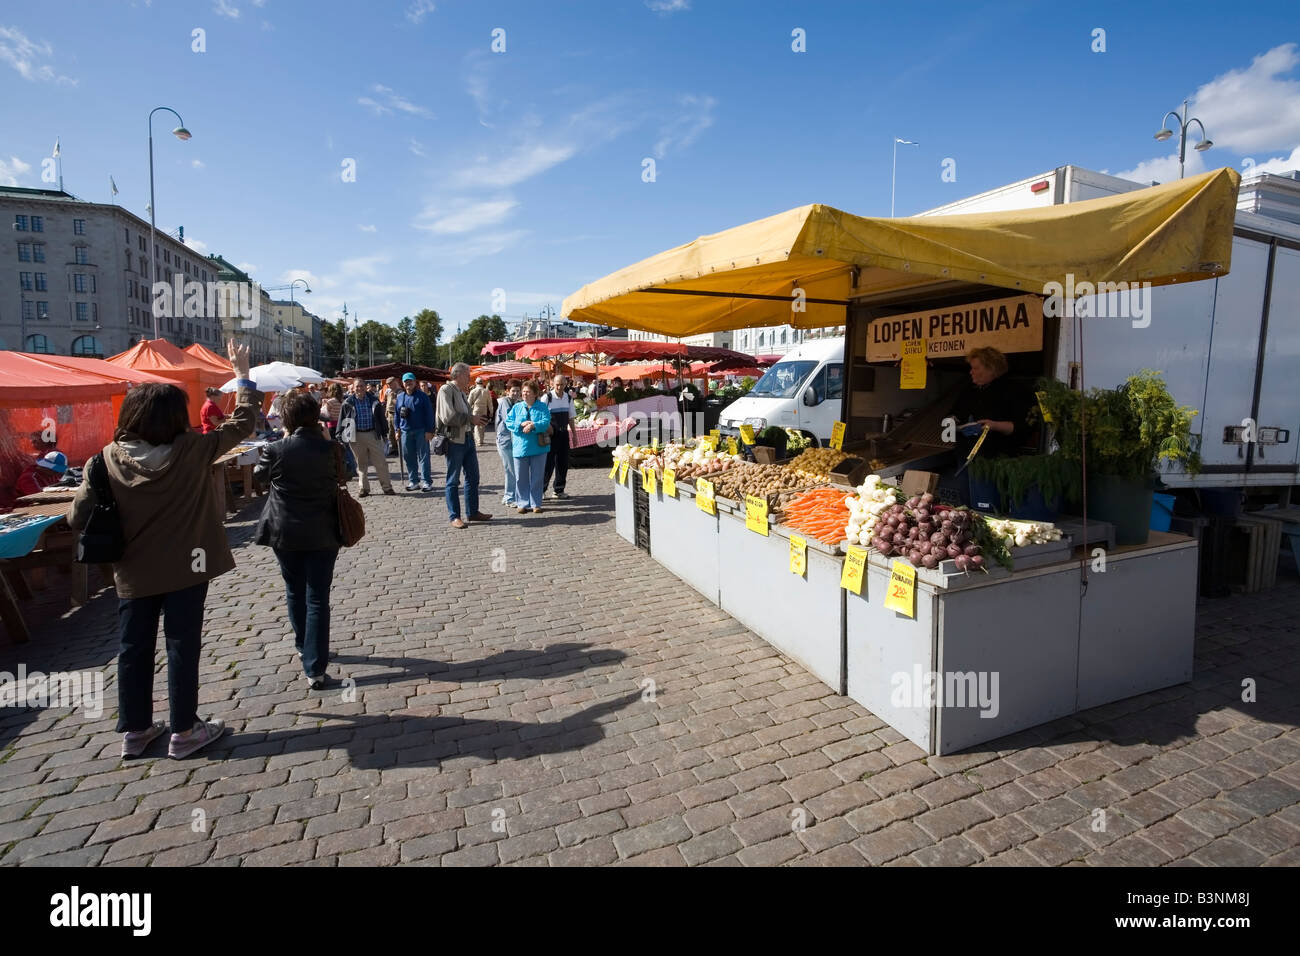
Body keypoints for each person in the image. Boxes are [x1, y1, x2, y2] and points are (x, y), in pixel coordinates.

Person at [67, 339, 260, 760]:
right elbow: (245, 421)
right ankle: (184, 730)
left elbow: (78, 517)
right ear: (175, 416)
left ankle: (135, 730)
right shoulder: (193, 449)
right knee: (181, 645)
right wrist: (241, 373)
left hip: (134, 571)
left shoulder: (103, 460)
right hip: (188, 566)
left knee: (133, 648)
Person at [253, 390, 349, 690]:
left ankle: (302, 645)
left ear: (287, 419)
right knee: (318, 596)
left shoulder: (277, 449)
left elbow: (258, 477)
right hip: (323, 530)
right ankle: (315, 667)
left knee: (294, 590)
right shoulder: (330, 449)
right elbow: (344, 475)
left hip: (286, 531)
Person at [437, 363, 493, 529]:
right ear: (459, 374)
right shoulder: (445, 390)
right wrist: (471, 419)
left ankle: (473, 512)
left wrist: (474, 418)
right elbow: (448, 417)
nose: (470, 377)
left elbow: (465, 415)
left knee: (473, 477)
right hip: (454, 441)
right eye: (468, 374)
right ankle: (455, 516)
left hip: (467, 439)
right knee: (453, 480)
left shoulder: (461, 392)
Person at [341, 378, 394, 497]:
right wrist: (342, 437)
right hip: (356, 436)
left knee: (380, 462)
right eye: (357, 386)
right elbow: (343, 421)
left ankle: (387, 487)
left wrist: (384, 433)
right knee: (361, 464)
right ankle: (363, 488)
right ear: (353, 388)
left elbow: (381, 418)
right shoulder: (348, 403)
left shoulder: (373, 400)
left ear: (365, 387)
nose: (359, 388)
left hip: (373, 434)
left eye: (361, 386)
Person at [508, 380, 552, 514]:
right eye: (524, 392)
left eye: (528, 392)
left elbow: (546, 422)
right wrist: (521, 425)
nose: (525, 394)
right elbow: (509, 422)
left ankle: (536, 503)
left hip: (538, 447)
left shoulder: (542, 406)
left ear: (535, 393)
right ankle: (522, 502)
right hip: (520, 447)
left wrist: (533, 425)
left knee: (537, 477)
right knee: (521, 477)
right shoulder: (517, 407)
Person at [395, 373, 435, 491]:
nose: (408, 383)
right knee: (409, 457)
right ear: (403, 383)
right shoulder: (400, 397)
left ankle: (426, 481)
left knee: (423, 457)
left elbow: (429, 414)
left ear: (415, 382)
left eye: (410, 381)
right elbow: (397, 415)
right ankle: (413, 481)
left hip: (421, 431)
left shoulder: (423, 396)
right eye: (406, 381)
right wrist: (397, 429)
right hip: (405, 431)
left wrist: (429, 430)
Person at [543, 374, 579, 500]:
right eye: (557, 384)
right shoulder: (547, 398)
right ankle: (541, 490)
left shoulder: (568, 398)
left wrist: (574, 434)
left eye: (562, 384)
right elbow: (541, 416)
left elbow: (571, 417)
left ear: (565, 384)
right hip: (551, 435)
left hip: (564, 434)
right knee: (548, 464)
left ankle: (559, 490)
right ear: (553, 384)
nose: (559, 387)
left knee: (563, 463)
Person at [494, 380, 522, 506]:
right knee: (510, 469)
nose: (515, 393)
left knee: (515, 469)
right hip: (505, 441)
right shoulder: (505, 402)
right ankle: (509, 497)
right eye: (513, 391)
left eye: (517, 390)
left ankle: (514, 495)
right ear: (507, 391)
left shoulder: (517, 402)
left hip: (514, 440)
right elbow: (509, 420)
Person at [468, 377, 494, 447]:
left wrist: (468, 411)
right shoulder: (486, 391)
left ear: (476, 383)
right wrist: (491, 411)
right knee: (482, 425)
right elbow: (490, 403)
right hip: (484, 410)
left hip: (476, 409)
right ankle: (481, 440)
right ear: (482, 383)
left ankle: (479, 441)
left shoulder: (473, 391)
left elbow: (469, 403)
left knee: (476, 425)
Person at [383, 376, 401, 457]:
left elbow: (399, 403)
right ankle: (394, 448)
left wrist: (394, 396)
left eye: (390, 384)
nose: (389, 386)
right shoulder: (389, 391)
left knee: (397, 431)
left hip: (396, 414)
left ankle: (400, 448)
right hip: (389, 413)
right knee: (390, 432)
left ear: (395, 383)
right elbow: (387, 402)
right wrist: (386, 412)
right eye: (388, 384)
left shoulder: (399, 392)